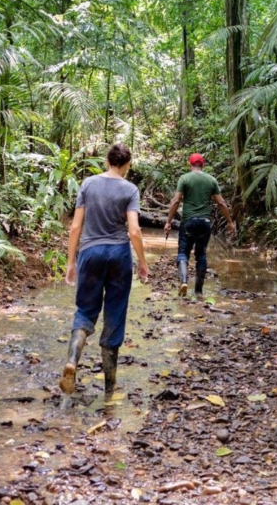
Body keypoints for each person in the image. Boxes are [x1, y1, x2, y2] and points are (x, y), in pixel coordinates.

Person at [61, 143, 149, 397]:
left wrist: (70, 262)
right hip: (119, 254)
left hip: (90, 253)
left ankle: (72, 361)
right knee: (115, 313)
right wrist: (142, 262)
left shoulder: (88, 184)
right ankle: (109, 389)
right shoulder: (130, 189)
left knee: (85, 311)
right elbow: (133, 230)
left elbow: (75, 227)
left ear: (107, 161)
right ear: (127, 164)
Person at [163, 153, 235, 297]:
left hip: (188, 221)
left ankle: (184, 281)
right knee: (201, 254)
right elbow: (221, 203)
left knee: (183, 253)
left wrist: (168, 221)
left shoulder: (185, 178)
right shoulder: (211, 180)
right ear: (203, 165)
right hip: (205, 223)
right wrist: (229, 222)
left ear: (190, 165)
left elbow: (176, 201)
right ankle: (198, 291)